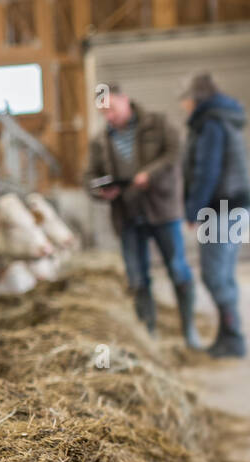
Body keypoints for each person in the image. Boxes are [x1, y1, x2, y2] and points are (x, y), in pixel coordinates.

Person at [85, 84, 199, 348]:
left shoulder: (157, 124)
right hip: (127, 214)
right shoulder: (100, 141)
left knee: (178, 269)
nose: (109, 117)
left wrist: (150, 174)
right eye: (104, 113)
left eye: (112, 108)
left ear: (125, 100)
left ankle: (189, 332)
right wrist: (102, 189)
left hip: (161, 208)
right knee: (137, 278)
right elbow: (89, 177)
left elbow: (174, 152)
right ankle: (149, 336)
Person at [180, 73, 250, 358]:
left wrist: (194, 209)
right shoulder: (226, 119)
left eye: (184, 100)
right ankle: (228, 334)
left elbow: (206, 170)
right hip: (236, 205)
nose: (183, 106)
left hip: (221, 208)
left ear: (195, 99)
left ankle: (232, 337)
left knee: (214, 277)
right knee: (225, 275)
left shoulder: (210, 124)